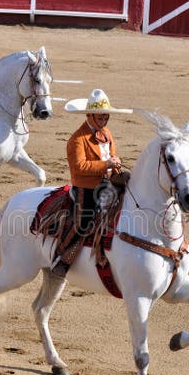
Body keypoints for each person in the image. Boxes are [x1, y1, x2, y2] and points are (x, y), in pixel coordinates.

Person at [51, 89, 132, 278]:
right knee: (83, 221)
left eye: (106, 117)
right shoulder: (77, 140)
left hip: (108, 182)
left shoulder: (107, 134)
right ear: (90, 115)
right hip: (85, 187)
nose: (104, 121)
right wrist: (106, 164)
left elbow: (111, 157)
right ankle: (62, 258)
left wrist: (115, 163)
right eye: (100, 117)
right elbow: (79, 167)